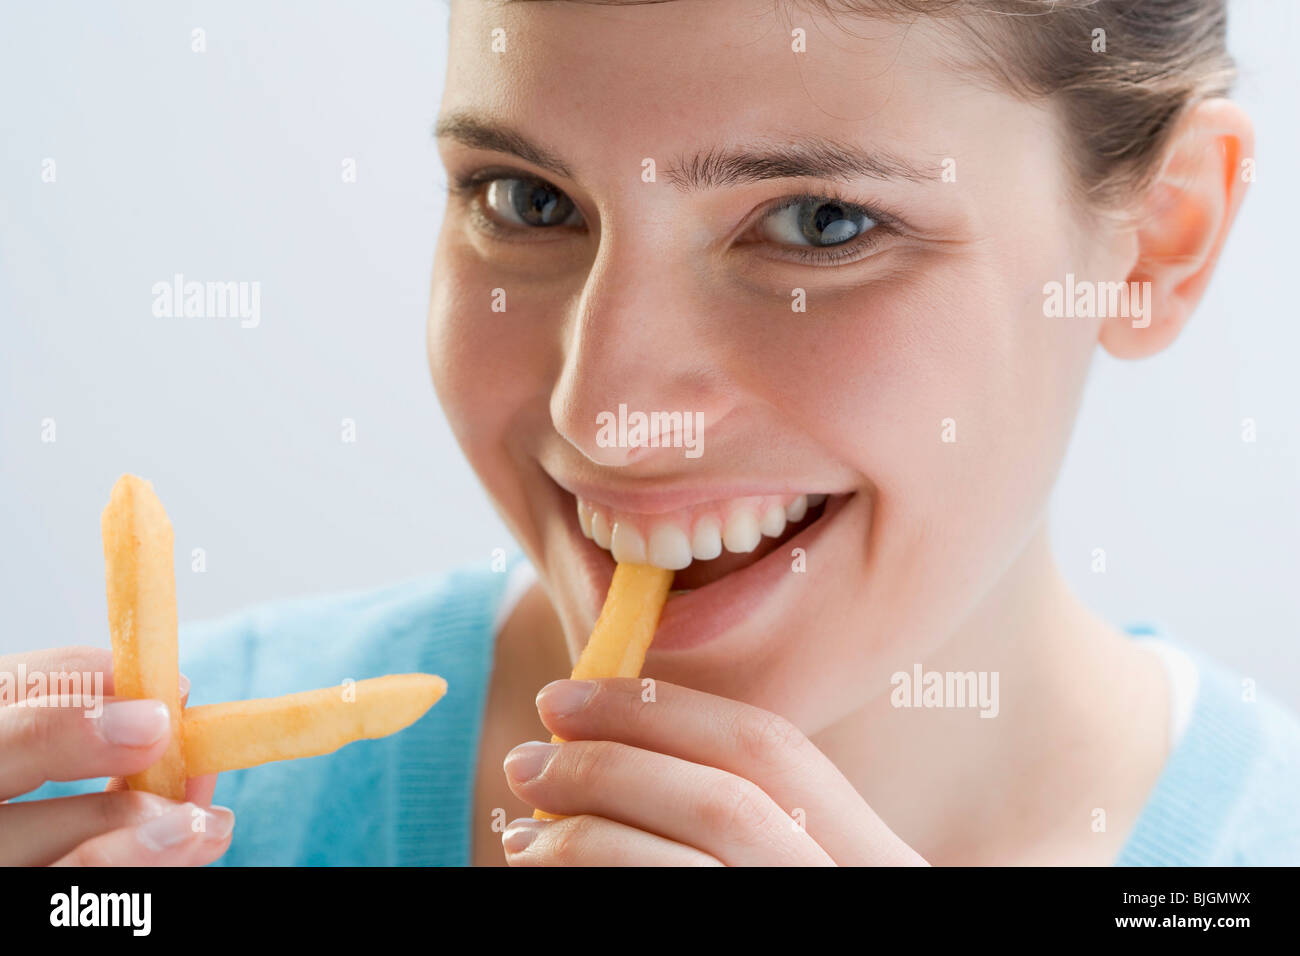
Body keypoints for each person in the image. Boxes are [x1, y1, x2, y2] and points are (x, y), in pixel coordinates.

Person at [7, 0, 1297, 866]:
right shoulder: (114, 826)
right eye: (527, 199)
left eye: (821, 224)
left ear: (1161, 239)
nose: (602, 413)